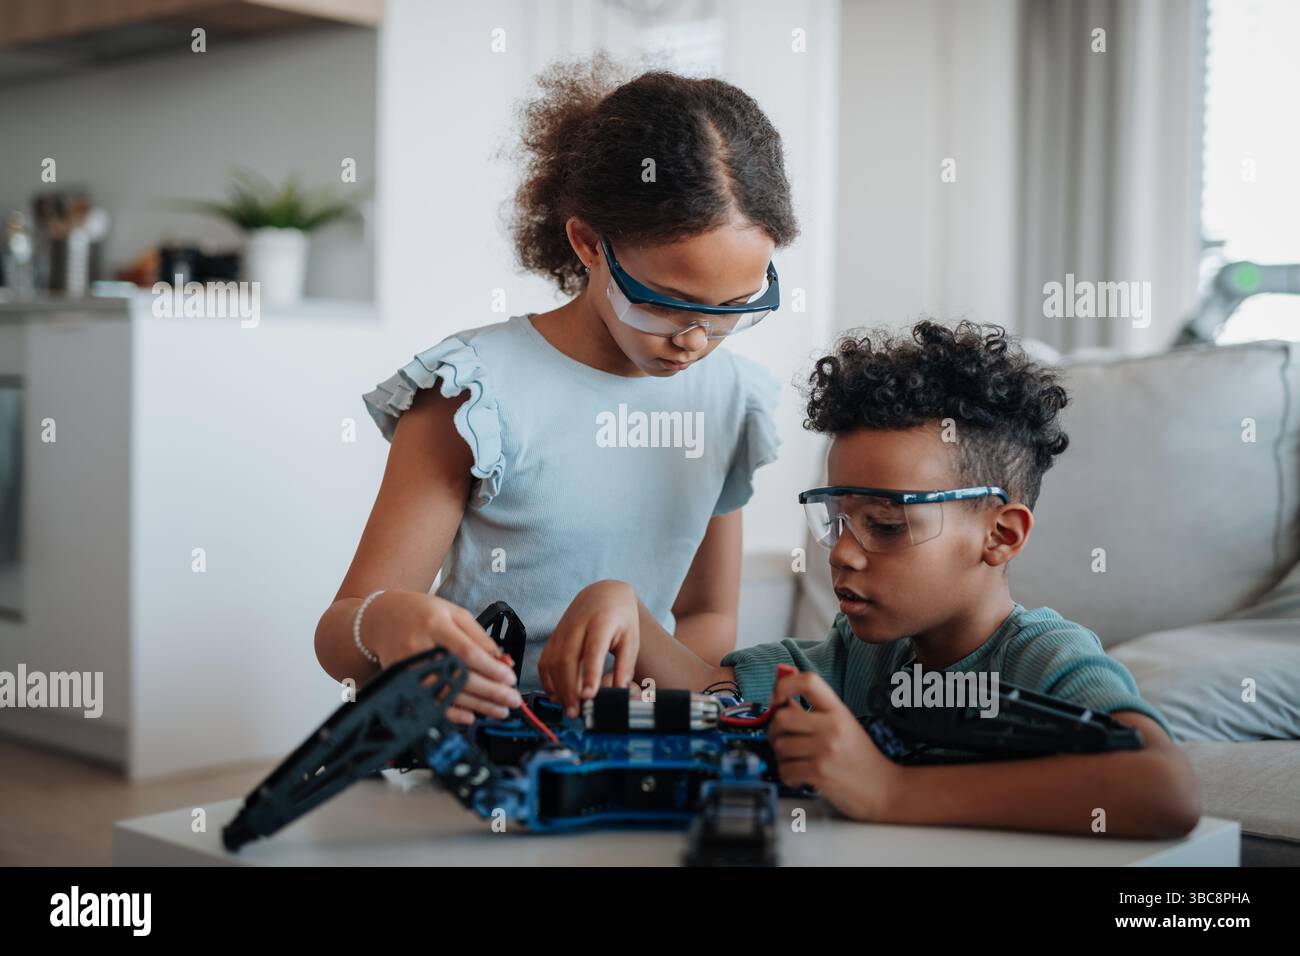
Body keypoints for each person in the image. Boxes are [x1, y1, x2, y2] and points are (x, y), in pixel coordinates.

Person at [560, 321, 1201, 837]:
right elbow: (709, 687)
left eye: (887, 526)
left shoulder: (1044, 658)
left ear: (1000, 535)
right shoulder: (855, 658)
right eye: (837, 522)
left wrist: (888, 790)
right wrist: (618, 606)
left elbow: (1165, 791)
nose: (843, 555)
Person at [314, 54, 797, 723]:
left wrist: (650, 697)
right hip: (485, 742)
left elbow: (708, 613)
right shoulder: (476, 394)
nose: (695, 338)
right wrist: (388, 620)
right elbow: (340, 636)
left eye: (732, 310)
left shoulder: (729, 399)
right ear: (588, 243)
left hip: (633, 741)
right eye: (666, 304)